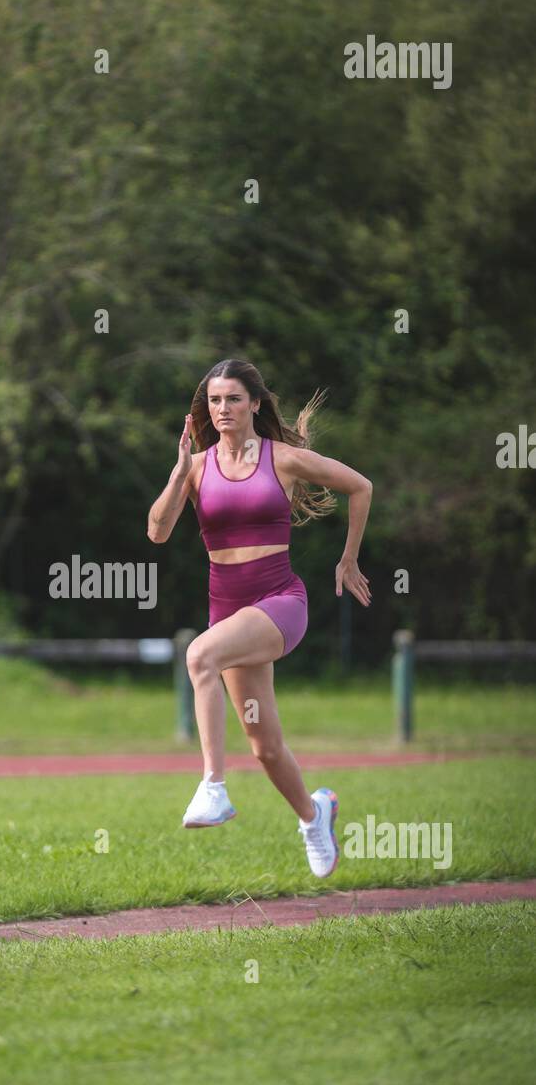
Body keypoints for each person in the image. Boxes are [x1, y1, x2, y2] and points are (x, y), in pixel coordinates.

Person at [147, 358, 372, 876]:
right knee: (266, 747)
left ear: (254, 404)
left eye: (232, 399)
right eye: (213, 401)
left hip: (279, 603)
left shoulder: (285, 458)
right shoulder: (197, 466)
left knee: (199, 653)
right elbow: (157, 532)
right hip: (228, 609)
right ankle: (315, 816)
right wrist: (180, 471)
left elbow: (361, 486)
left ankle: (213, 787)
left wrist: (349, 558)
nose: (222, 409)